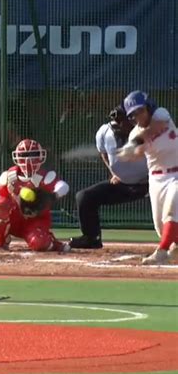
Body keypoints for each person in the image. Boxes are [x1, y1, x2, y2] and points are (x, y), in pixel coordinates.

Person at [69, 105, 148, 249]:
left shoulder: (147, 131)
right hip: (123, 184)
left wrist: (152, 177)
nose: (119, 125)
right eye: (117, 121)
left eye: (123, 121)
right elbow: (104, 152)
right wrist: (114, 173)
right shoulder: (104, 132)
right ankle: (91, 238)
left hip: (151, 182)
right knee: (84, 197)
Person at [117, 91, 178, 265]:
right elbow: (138, 153)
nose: (138, 116)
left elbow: (155, 129)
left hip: (176, 174)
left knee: (172, 210)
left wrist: (134, 143)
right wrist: (128, 153)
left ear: (149, 107)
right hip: (157, 179)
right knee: (161, 226)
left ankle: (161, 252)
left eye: (140, 111)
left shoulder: (161, 114)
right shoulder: (134, 134)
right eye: (133, 115)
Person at [0, 138, 70, 253]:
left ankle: (51, 242)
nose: (28, 159)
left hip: (35, 221)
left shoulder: (44, 176)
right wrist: (0, 209)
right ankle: (1, 240)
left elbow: (64, 186)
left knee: (39, 243)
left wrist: (53, 196)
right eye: (24, 155)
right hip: (13, 220)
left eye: (33, 154)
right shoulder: (10, 176)